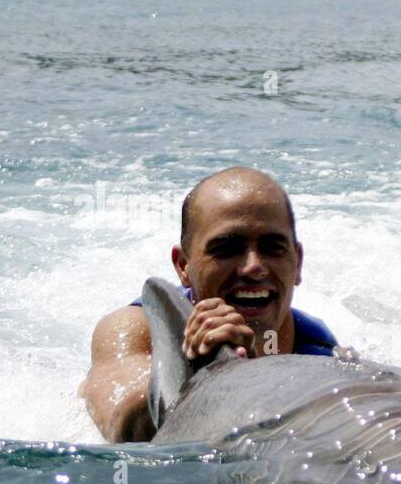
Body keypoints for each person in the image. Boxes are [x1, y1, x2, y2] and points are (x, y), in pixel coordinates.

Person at [79, 167, 337, 442]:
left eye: (273, 248)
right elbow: (120, 426)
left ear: (297, 262)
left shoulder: (319, 353)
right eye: (226, 249)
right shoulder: (137, 330)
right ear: (183, 266)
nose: (254, 268)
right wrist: (195, 379)